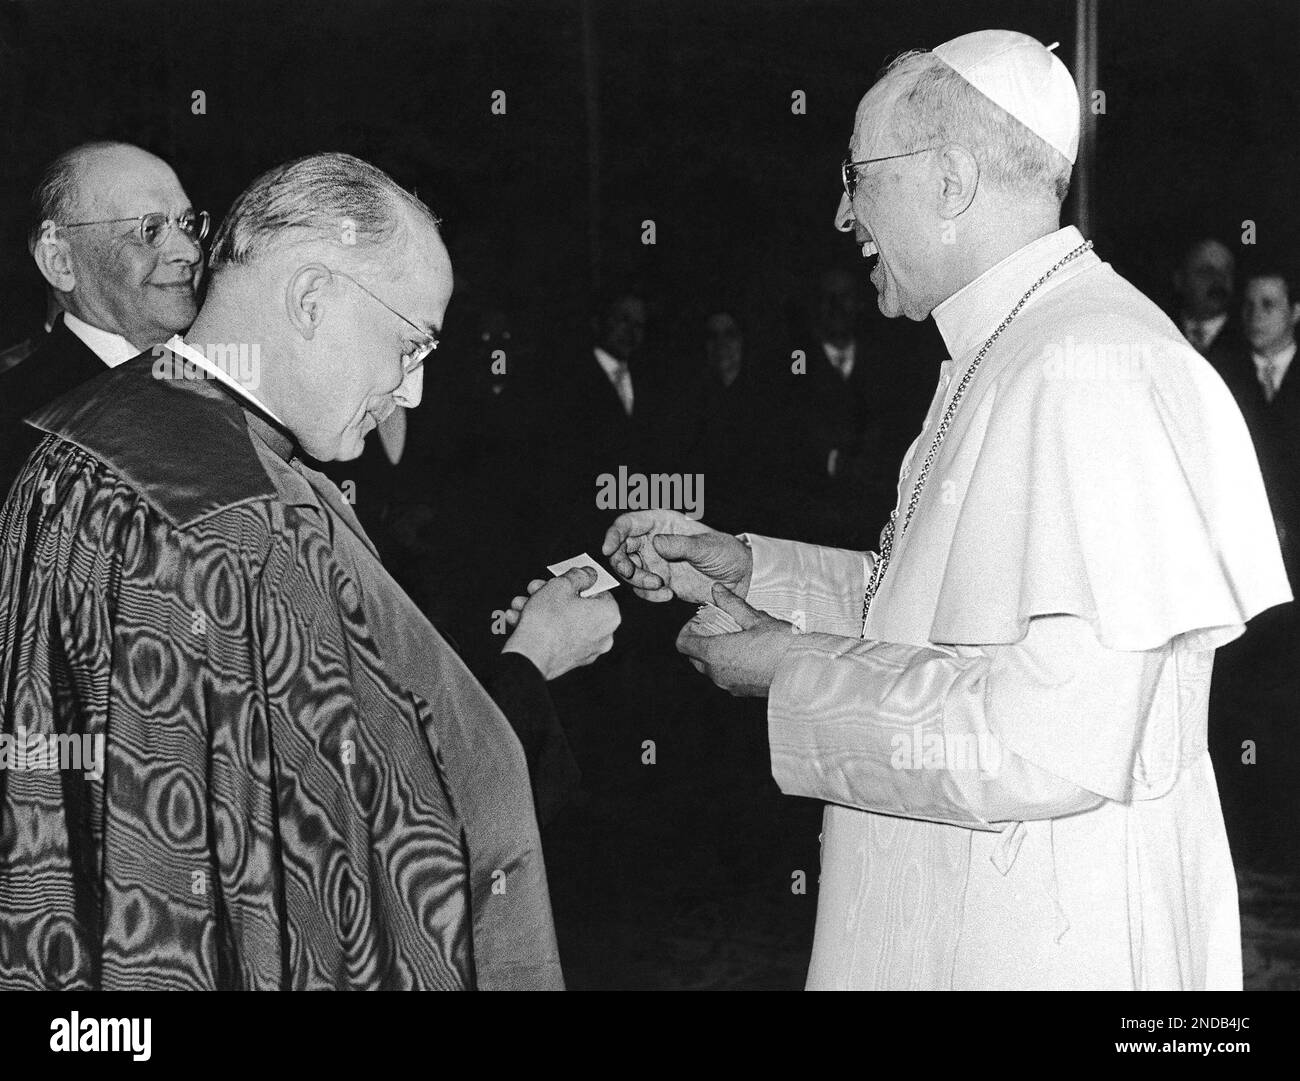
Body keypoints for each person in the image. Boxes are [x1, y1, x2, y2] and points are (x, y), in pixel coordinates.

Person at [603, 30, 1290, 990]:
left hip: (1037, 944)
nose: (842, 214)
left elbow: (1042, 742)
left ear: (951, 180)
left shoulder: (1089, 368)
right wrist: (758, 572)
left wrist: (790, 671)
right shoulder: (1008, 344)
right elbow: (942, 618)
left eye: (856, 176)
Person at [0, 151, 618, 989]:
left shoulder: (77, 441)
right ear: (311, 298)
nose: (413, 392)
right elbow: (377, 839)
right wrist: (525, 675)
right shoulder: (253, 517)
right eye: (411, 345)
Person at [0, 142, 205, 497]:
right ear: (60, 262)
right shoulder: (16, 426)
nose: (189, 251)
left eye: (187, 224)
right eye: (150, 230)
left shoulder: (223, 384)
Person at [1208, 262, 1300, 873]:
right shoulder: (1226, 375)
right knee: (1246, 707)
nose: (1253, 316)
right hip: (1249, 578)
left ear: (1295, 313)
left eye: (1268, 304)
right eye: (1247, 305)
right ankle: (1252, 839)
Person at [1173, 237, 1243, 368]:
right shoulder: (1160, 330)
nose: (1218, 281)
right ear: (1180, 280)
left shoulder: (1248, 337)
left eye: (1226, 272)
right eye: (1206, 272)